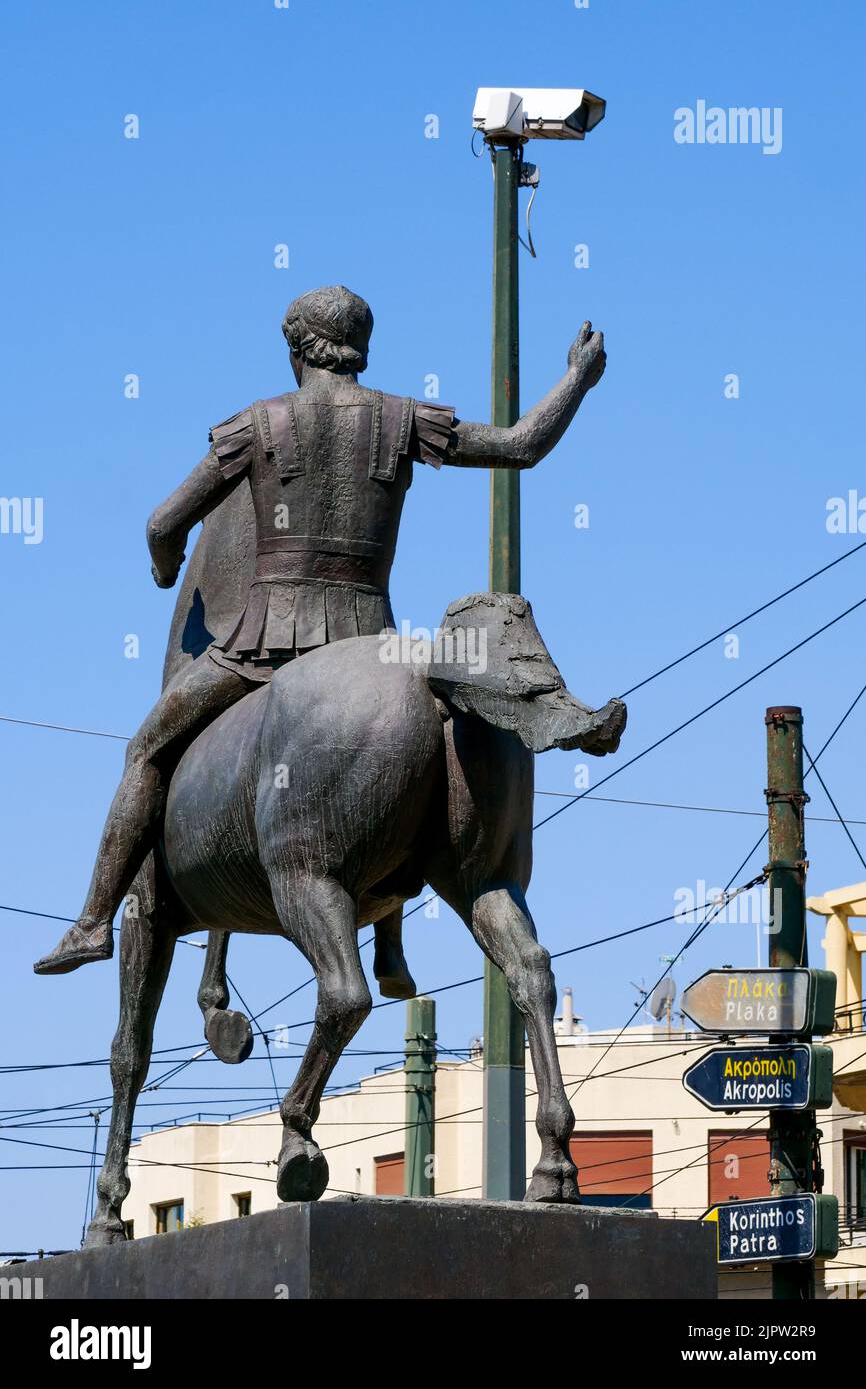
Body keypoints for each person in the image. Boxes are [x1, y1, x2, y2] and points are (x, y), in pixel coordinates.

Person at [34, 285, 606, 979]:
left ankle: (94, 922)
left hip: (264, 642)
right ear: (361, 348)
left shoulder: (258, 425)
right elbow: (521, 446)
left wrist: (165, 566)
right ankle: (390, 943)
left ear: (295, 347)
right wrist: (575, 381)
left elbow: (162, 523)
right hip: (374, 637)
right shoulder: (402, 420)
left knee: (146, 751)